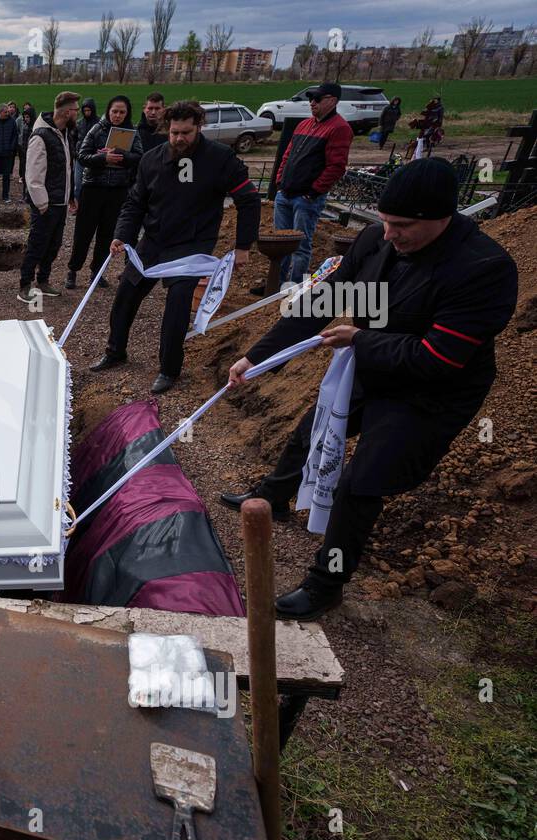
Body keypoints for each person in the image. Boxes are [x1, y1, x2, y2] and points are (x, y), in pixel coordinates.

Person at [219, 159, 517, 620]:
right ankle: (275, 497)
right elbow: (328, 299)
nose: (391, 234)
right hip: (373, 363)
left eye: (403, 226)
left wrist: (359, 338)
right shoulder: (377, 241)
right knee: (315, 429)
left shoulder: (483, 269)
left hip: (430, 393)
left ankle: (326, 584)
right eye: (385, 222)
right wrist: (258, 357)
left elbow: (436, 358)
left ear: (443, 218)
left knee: (360, 483)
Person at [92, 101, 261, 394]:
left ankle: (169, 369)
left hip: (192, 244)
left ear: (199, 127)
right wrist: (123, 235)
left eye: (186, 132)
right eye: (174, 133)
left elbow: (248, 200)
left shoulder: (221, 158)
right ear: (167, 130)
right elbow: (135, 203)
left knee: (178, 304)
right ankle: (115, 350)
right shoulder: (151, 160)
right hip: (155, 240)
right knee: (126, 294)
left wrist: (243, 245)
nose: (179, 138)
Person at [258, 82, 354, 292]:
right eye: (311, 99)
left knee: (300, 246)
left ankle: (293, 288)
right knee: (279, 244)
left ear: (332, 101)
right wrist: (280, 181)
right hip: (286, 193)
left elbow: (336, 166)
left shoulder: (339, 128)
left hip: (306, 198)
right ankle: (275, 284)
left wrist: (313, 192)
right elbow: (288, 154)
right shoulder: (304, 125)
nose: (312, 103)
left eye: (317, 99)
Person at [66, 95, 142, 291]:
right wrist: (103, 157)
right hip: (93, 188)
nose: (117, 115)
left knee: (107, 234)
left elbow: (139, 157)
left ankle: (96, 273)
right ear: (108, 111)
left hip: (117, 190)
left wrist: (122, 156)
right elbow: (81, 155)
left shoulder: (132, 132)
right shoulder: (96, 129)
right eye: (114, 111)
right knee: (83, 233)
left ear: (127, 113)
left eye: (122, 112)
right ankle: (73, 271)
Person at [18, 91, 80, 304]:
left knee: (54, 245)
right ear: (65, 112)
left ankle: (42, 281)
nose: (78, 114)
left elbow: (66, 170)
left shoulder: (63, 133)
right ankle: (24, 285)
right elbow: (33, 175)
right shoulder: (41, 136)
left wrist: (69, 196)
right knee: (37, 244)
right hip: (46, 205)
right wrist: (42, 204)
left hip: (59, 202)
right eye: (75, 110)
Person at [74, 97, 99, 201]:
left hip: (93, 158)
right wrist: (75, 152)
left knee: (92, 185)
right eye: (85, 110)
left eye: (89, 110)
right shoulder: (79, 123)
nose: (87, 112)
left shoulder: (99, 124)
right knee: (78, 185)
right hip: (80, 157)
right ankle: (79, 206)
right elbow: (74, 138)